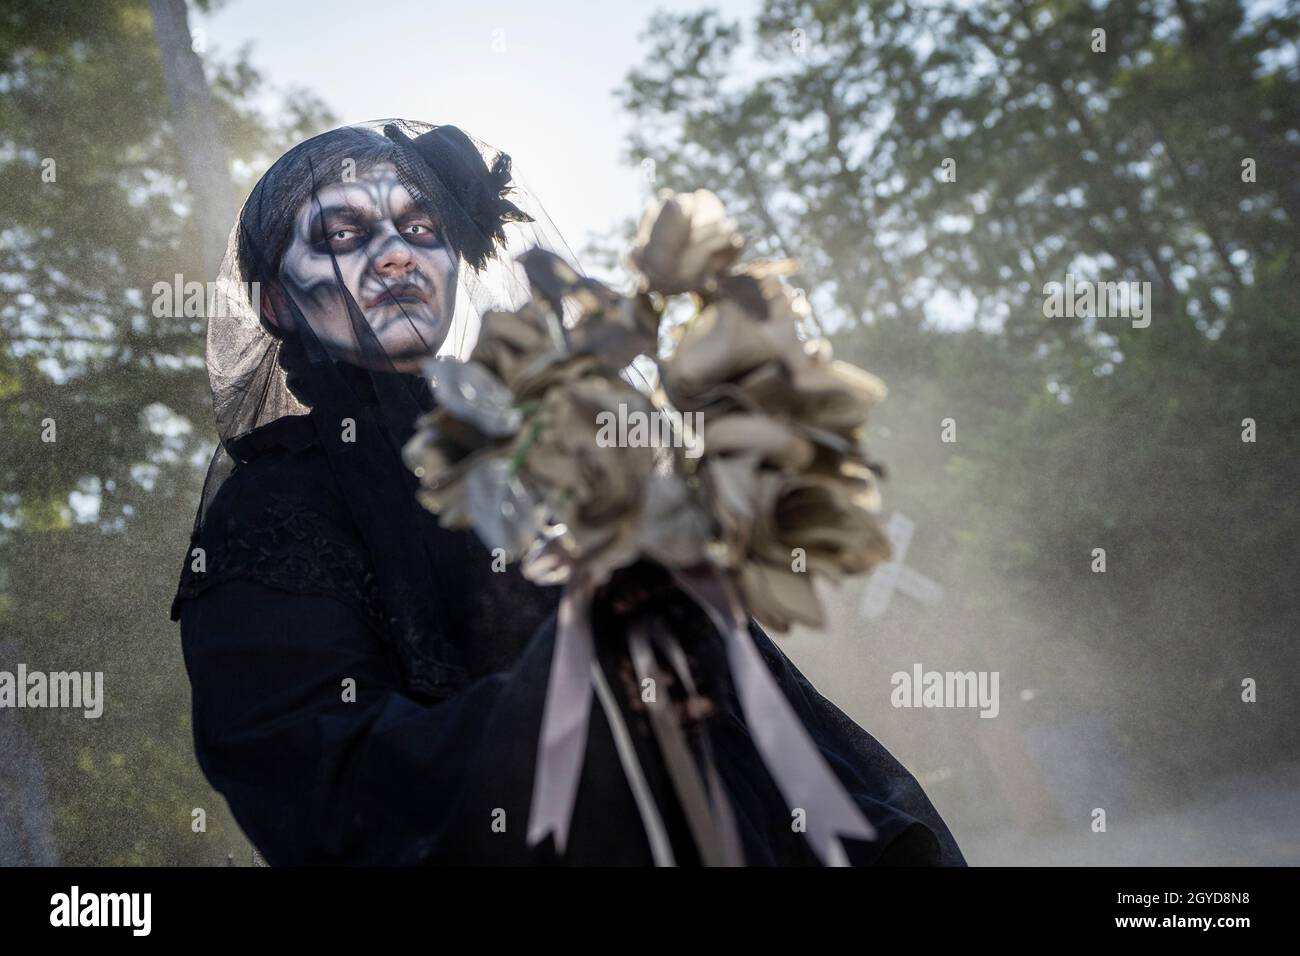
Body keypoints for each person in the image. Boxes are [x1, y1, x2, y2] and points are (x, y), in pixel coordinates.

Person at [171, 119, 965, 866]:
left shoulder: (548, 451)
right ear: (275, 301)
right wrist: (580, 681)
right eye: (342, 235)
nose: (394, 257)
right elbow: (316, 782)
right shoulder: (270, 513)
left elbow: (759, 716)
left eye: (419, 228)